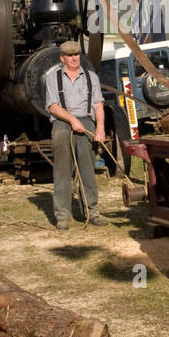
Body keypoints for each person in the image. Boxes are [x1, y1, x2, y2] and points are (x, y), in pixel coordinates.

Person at [45, 41, 108, 230]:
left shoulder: (91, 77)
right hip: (62, 122)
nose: (74, 58)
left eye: (77, 55)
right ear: (62, 58)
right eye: (70, 56)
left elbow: (98, 105)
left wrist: (100, 128)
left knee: (88, 171)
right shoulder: (53, 78)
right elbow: (53, 107)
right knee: (63, 171)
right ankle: (63, 216)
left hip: (86, 122)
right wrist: (72, 120)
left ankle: (92, 212)